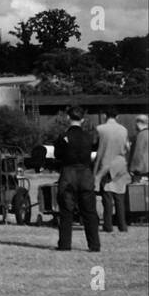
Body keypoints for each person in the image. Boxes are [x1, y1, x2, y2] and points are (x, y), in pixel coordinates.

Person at [54, 105, 100, 252]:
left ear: (68, 118)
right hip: (85, 174)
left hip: (68, 174)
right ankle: (94, 245)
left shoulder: (64, 137)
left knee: (66, 211)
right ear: (83, 119)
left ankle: (65, 244)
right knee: (90, 212)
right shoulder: (89, 137)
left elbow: (57, 155)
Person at [94, 111, 130, 232]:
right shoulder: (123, 130)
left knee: (107, 197)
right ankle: (122, 225)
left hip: (106, 163)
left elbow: (97, 147)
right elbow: (127, 147)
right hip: (120, 163)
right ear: (117, 116)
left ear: (104, 115)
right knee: (119, 197)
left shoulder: (100, 129)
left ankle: (108, 225)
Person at [131, 115, 149, 182]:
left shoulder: (141, 135)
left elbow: (138, 153)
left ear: (139, 123)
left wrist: (133, 169)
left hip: (143, 170)